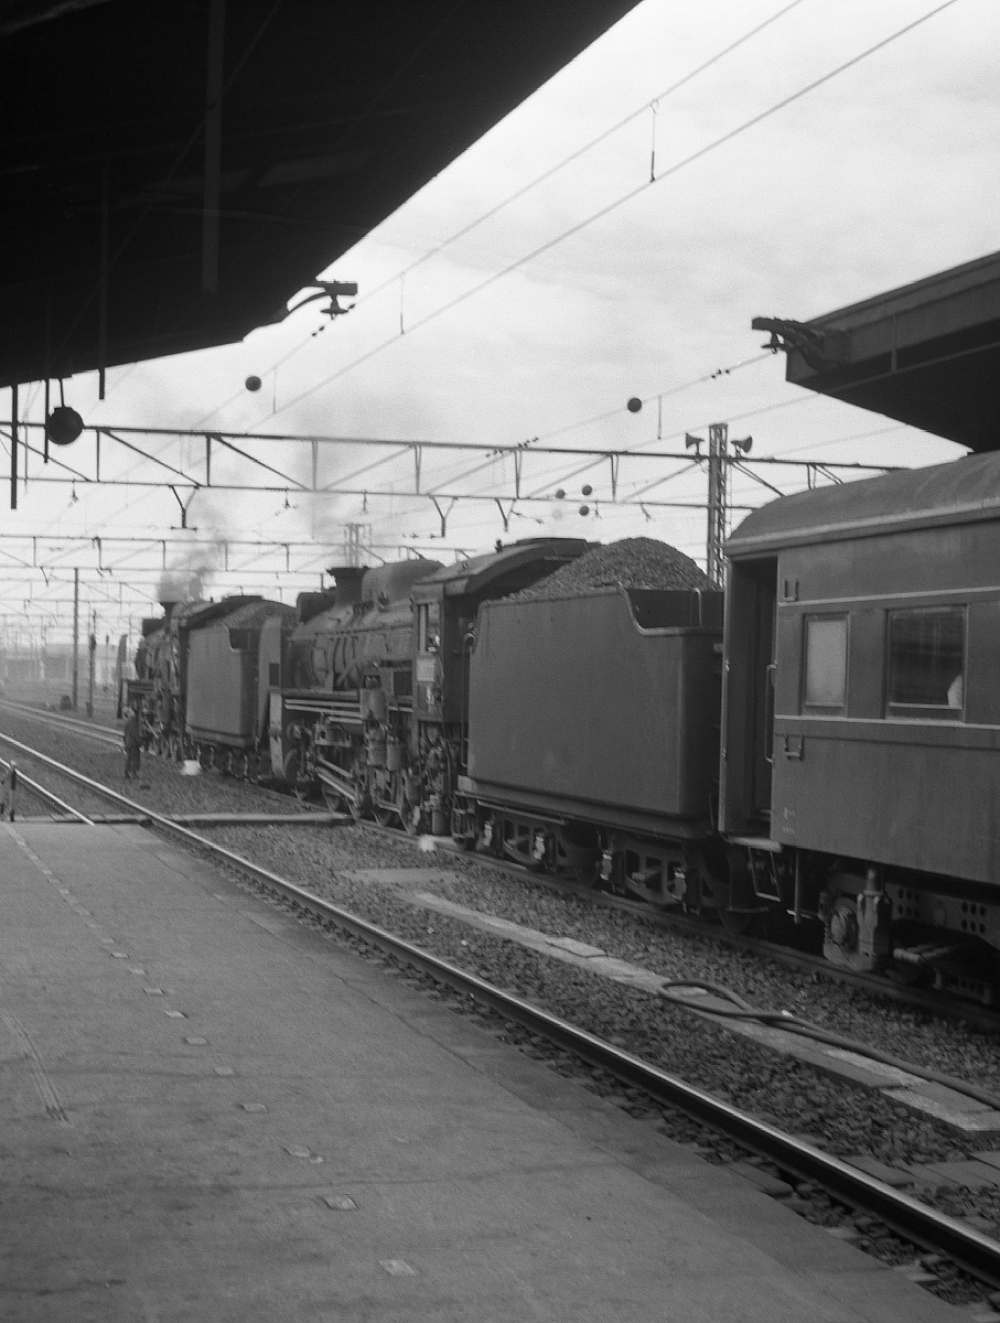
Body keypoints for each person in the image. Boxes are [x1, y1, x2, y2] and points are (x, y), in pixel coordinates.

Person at [123, 706, 142, 779]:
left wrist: (125, 743)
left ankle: (126, 772)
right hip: (133, 743)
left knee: (129, 758)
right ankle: (134, 774)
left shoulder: (127, 721)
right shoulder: (133, 722)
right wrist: (139, 741)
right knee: (135, 758)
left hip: (128, 743)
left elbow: (125, 734)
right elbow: (135, 733)